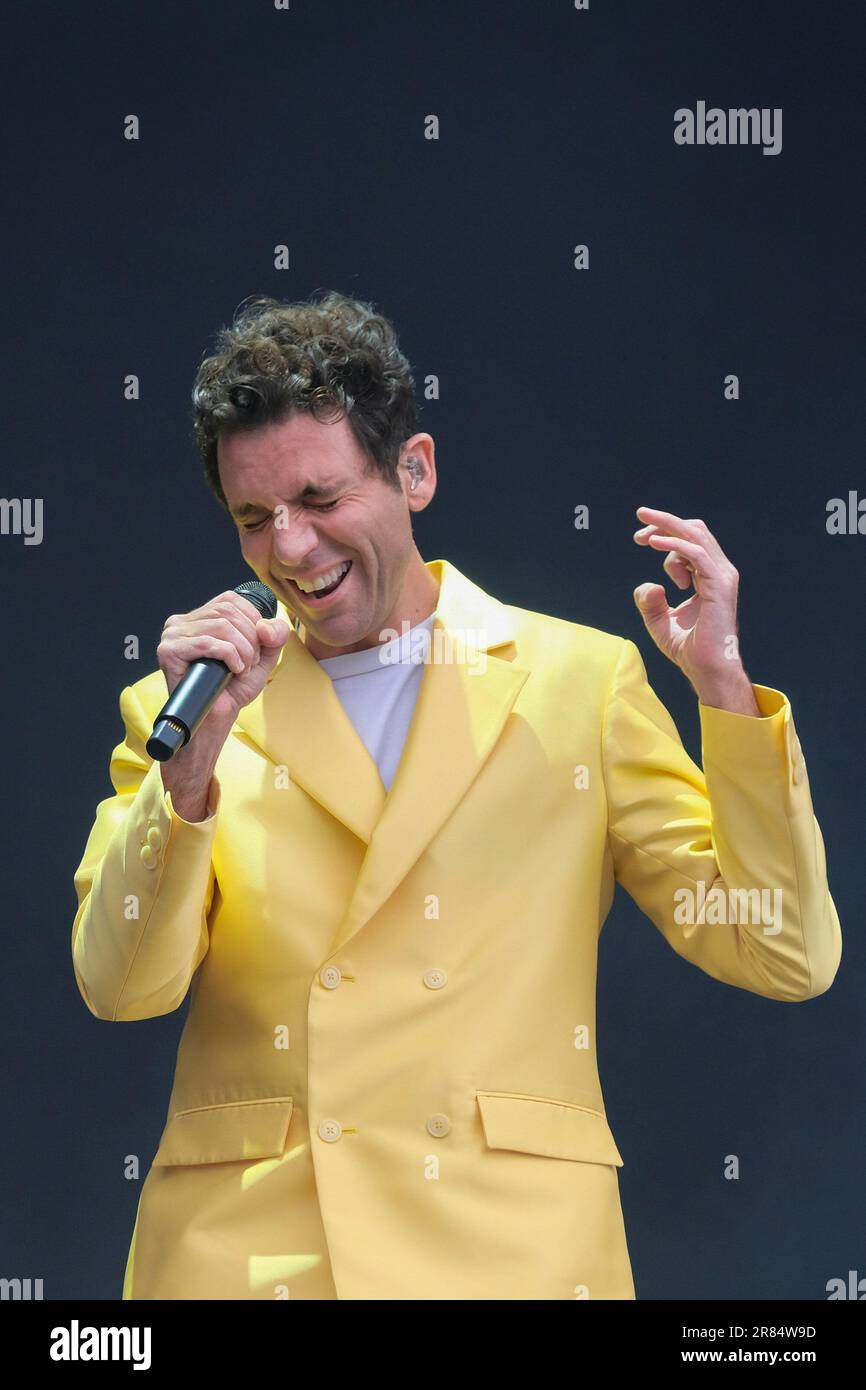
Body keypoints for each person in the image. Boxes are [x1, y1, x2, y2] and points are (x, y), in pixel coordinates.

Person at [71, 291, 842, 1300]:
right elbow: (121, 988)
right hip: (250, 1263)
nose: (291, 547)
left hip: (507, 1260)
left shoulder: (579, 684)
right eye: (254, 517)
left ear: (415, 470)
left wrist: (727, 701)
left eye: (320, 498)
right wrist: (188, 779)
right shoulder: (183, 708)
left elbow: (779, 951)